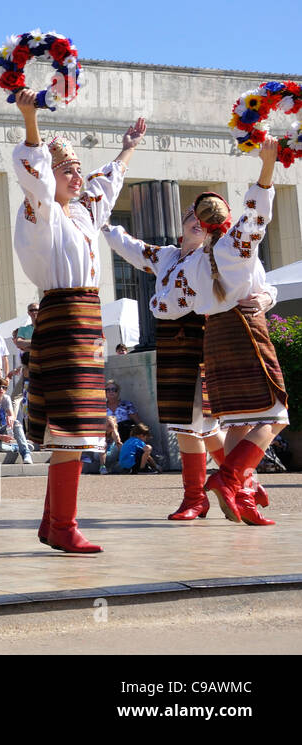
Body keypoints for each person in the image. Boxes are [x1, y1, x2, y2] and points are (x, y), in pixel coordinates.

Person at [13, 85, 145, 552]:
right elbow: (35, 176)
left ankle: (53, 522)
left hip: (85, 320)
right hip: (64, 316)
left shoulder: (85, 214)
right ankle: (64, 526)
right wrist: (31, 121)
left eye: (77, 170)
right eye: (66, 170)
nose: (76, 177)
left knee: (76, 424)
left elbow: (109, 183)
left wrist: (128, 146)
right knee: (70, 426)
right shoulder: (41, 211)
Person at [104, 204, 275, 521]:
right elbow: (131, 247)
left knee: (195, 423)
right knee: (198, 425)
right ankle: (243, 482)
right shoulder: (166, 256)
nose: (198, 222)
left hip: (204, 336)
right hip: (170, 340)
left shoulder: (217, 253)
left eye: (204, 219)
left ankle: (200, 497)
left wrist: (267, 297)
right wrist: (103, 223)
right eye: (190, 218)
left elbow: (255, 279)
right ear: (180, 227)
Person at [184, 140, 289, 527]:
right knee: (276, 414)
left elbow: (166, 305)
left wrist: (260, 297)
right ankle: (228, 478)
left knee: (236, 422)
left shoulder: (194, 260)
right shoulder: (236, 245)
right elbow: (258, 208)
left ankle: (242, 498)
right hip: (245, 331)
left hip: (216, 335)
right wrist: (267, 165)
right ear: (226, 217)